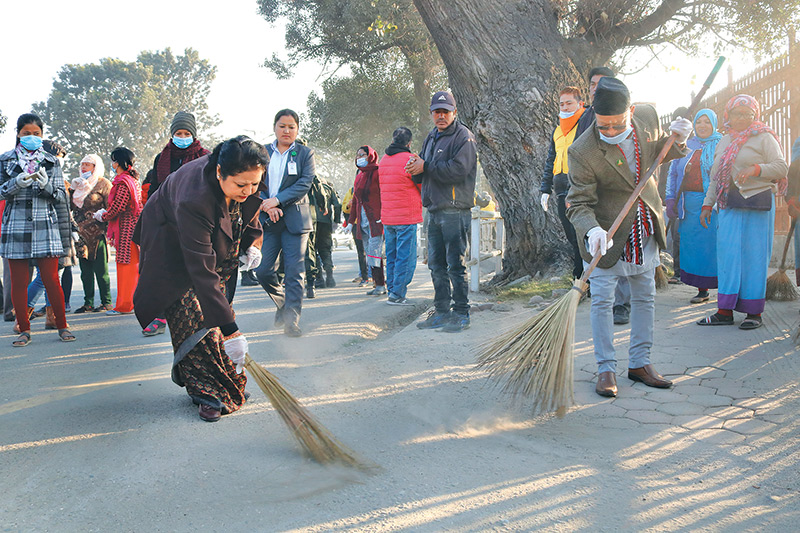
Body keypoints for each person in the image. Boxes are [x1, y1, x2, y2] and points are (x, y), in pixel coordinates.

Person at [567, 77, 692, 397]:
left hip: (644, 225)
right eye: (603, 126)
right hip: (606, 234)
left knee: (645, 295)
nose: (610, 132)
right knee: (603, 301)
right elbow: (578, 203)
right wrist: (592, 230)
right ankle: (605, 368)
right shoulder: (582, 150)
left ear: (631, 111)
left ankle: (640, 363)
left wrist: (678, 140)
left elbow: (657, 152)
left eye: (617, 125)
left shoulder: (647, 117)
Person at [133, 136, 266, 422]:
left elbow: (251, 209)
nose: (248, 190)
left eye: (254, 183)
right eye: (241, 185)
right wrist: (232, 331)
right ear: (219, 172)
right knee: (191, 315)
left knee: (216, 311)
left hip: (212, 245)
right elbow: (202, 271)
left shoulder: (247, 173)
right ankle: (206, 393)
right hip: (171, 243)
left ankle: (225, 383)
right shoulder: (194, 199)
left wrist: (253, 244)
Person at [697, 94, 788, 330]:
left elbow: (781, 167)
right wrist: (707, 204)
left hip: (757, 204)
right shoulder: (725, 140)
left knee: (754, 258)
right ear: (728, 115)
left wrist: (756, 169)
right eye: (738, 113)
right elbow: (716, 176)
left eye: (748, 114)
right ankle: (724, 311)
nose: (743, 118)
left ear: (755, 115)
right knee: (727, 257)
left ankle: (753, 313)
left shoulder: (764, 136)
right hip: (729, 204)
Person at [0, 113, 75, 346]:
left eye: (36, 133)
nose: (31, 137)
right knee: (19, 282)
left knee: (51, 279)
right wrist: (15, 183)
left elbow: (61, 196)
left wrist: (46, 186)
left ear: (42, 135)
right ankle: (24, 329)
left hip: (46, 225)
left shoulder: (51, 161)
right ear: (18, 134)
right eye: (26, 133)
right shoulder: (5, 159)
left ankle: (62, 326)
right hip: (16, 225)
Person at [407, 90, 478, 333]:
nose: (441, 116)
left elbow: (459, 170)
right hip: (434, 209)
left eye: (445, 111)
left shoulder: (464, 137)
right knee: (436, 265)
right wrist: (415, 169)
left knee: (455, 264)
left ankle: (461, 313)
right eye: (437, 112)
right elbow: (424, 171)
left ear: (454, 112)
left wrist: (426, 166)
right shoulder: (431, 137)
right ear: (431, 113)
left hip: (455, 210)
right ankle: (441, 311)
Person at [140, 112, 210, 336]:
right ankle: (160, 316)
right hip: (167, 220)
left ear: (194, 134)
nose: (182, 137)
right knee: (163, 268)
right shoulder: (162, 158)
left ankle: (203, 315)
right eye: (178, 133)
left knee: (196, 269)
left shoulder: (206, 158)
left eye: (186, 133)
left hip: (196, 221)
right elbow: (154, 190)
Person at [254, 109, 315, 337]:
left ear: (297, 129)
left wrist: (277, 201)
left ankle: (292, 321)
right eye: (282, 126)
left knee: (294, 272)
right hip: (268, 220)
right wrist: (266, 205)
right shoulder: (262, 152)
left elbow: (304, 183)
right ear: (274, 127)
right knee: (262, 270)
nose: (286, 131)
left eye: (291, 127)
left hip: (295, 221)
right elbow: (254, 181)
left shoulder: (305, 154)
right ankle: (282, 303)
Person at [666, 109, 722, 303]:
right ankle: (702, 289)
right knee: (694, 248)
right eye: (699, 122)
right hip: (688, 205)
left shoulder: (722, 144)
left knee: (714, 247)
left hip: (713, 205)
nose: (702, 126)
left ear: (714, 124)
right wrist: (670, 198)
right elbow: (673, 172)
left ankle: (724, 289)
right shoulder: (687, 145)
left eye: (707, 122)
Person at [540, 86, 586, 279]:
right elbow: (551, 159)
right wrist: (545, 189)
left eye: (569, 103)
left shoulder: (584, 126)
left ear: (580, 104)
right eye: (562, 104)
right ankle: (580, 276)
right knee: (570, 235)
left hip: (577, 188)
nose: (565, 107)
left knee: (581, 235)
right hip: (560, 190)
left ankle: (583, 277)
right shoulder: (558, 130)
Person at [96, 147, 142, 315]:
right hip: (134, 227)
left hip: (126, 229)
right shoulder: (132, 180)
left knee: (126, 267)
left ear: (120, 162)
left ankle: (124, 305)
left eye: (114, 160)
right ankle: (133, 302)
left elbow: (118, 206)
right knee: (132, 267)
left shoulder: (123, 182)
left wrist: (103, 216)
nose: (112, 163)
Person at [379, 126, 422, 305]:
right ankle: (398, 294)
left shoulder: (383, 160)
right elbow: (421, 185)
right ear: (409, 143)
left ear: (393, 140)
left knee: (392, 256)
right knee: (406, 257)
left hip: (388, 218)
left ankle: (392, 291)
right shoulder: (410, 160)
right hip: (406, 217)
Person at [71, 154, 112, 313]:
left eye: (87, 165)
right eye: (82, 164)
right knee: (85, 271)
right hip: (80, 233)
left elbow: (111, 207)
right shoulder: (78, 183)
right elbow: (70, 207)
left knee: (101, 270)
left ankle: (106, 302)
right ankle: (88, 303)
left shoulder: (103, 184)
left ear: (95, 167)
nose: (83, 167)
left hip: (98, 232)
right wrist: (72, 190)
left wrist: (108, 227)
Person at [348, 145, 385, 296]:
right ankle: (377, 283)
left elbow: (384, 195)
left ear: (370, 156)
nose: (359, 158)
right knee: (370, 253)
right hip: (363, 222)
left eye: (362, 155)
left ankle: (381, 285)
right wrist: (351, 221)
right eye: (357, 155)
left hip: (376, 220)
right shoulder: (359, 176)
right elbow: (355, 200)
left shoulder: (378, 173)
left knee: (375, 252)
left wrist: (384, 214)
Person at [342, 185, 370, 285]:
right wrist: (348, 205)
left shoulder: (374, 186)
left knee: (374, 251)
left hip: (372, 223)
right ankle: (364, 277)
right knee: (361, 252)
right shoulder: (352, 190)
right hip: (357, 224)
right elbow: (345, 208)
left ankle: (376, 278)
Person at [315, 180, 341, 287]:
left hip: (311, 222)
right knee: (325, 249)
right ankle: (330, 278)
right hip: (326, 222)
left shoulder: (307, 186)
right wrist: (336, 220)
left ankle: (319, 279)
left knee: (313, 251)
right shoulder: (328, 188)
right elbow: (338, 205)